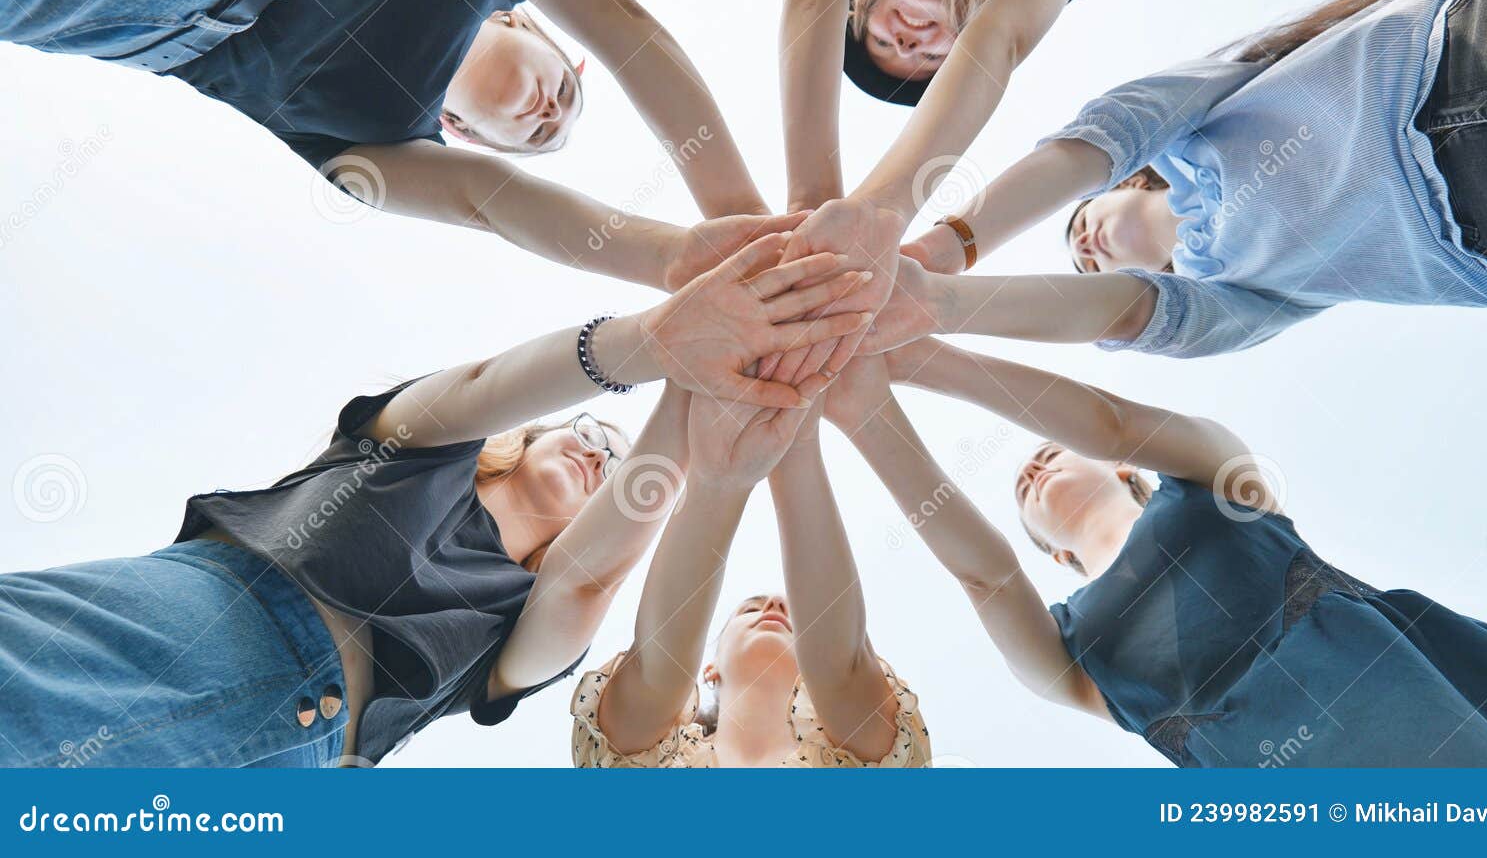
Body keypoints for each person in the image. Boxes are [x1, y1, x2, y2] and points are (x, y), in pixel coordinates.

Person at [0, 238, 867, 767]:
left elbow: (587, 585)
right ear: (529, 437)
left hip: (301, 752)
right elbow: (483, 386)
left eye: (622, 468)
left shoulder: (520, 621)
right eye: (592, 435)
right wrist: (666, 344)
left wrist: (702, 396)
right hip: (182, 612)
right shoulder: (404, 451)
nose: (599, 454)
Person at [862, 0, 1487, 360]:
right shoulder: (1235, 297)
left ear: (1131, 183)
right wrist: (936, 302)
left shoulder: (1191, 134)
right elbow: (1125, 316)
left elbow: (1101, 139)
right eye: (1085, 263)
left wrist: (949, 244)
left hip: (1486, 27)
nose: (1083, 244)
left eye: (1075, 224)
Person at [819, 344, 1487, 766]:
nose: (1032, 469)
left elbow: (1114, 418)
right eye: (1022, 492)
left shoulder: (1211, 488)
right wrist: (865, 413)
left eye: (1050, 454)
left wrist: (917, 354)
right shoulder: (1069, 654)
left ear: (1123, 473)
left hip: (1416, 693)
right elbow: (984, 574)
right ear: (1055, 558)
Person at [1, 0, 780, 285]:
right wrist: (745, 220)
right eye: (566, 94)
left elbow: (489, 205)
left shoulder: (388, 151)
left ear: (467, 135)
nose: (551, 115)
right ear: (530, 25)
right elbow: (624, 26)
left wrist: (677, 260)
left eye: (540, 137)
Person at [762, 0, 1148, 381]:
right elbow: (1000, 41)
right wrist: (887, 214)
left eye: (879, 43)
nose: (906, 44)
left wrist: (812, 208)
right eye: (928, 58)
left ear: (858, 3)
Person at [569, 395, 931, 767]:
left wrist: (797, 440)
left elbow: (843, 671)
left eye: (798, 620)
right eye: (750, 608)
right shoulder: (649, 761)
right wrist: (719, 480)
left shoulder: (873, 755)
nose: (774, 605)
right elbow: (655, 670)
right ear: (709, 668)